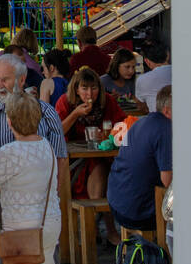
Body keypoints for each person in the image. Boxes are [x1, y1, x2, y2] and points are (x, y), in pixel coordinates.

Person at [0, 54, 67, 249]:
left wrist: (55, 194)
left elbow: (61, 159)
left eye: (5, 79)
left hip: (42, 199)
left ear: (21, 80)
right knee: (8, 257)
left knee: (44, 254)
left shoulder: (46, 112)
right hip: (1, 202)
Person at [0, 91, 62, 264]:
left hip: (20, 227)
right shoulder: (47, 147)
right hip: (50, 222)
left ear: (9, 121)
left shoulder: (9, 152)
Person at [56, 67, 126, 230]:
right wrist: (74, 115)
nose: (89, 94)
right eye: (84, 88)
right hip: (73, 162)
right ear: (76, 89)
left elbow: (124, 126)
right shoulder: (65, 102)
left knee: (100, 167)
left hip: (104, 157)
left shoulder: (107, 101)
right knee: (97, 168)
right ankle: (100, 229)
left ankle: (95, 227)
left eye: (94, 88)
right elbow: (56, 133)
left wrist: (110, 135)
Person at [107, 85, 172, 234]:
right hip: (138, 213)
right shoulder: (166, 129)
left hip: (116, 203)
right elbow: (167, 181)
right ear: (167, 111)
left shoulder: (139, 123)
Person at [0, 35, 43, 109]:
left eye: (23, 63)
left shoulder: (31, 74)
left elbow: (43, 102)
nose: (21, 67)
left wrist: (36, 98)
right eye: (15, 63)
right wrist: (1, 86)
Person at [135, 40, 172, 112]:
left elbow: (141, 106)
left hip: (158, 121)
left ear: (147, 61)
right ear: (168, 55)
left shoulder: (142, 80)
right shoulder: (183, 73)